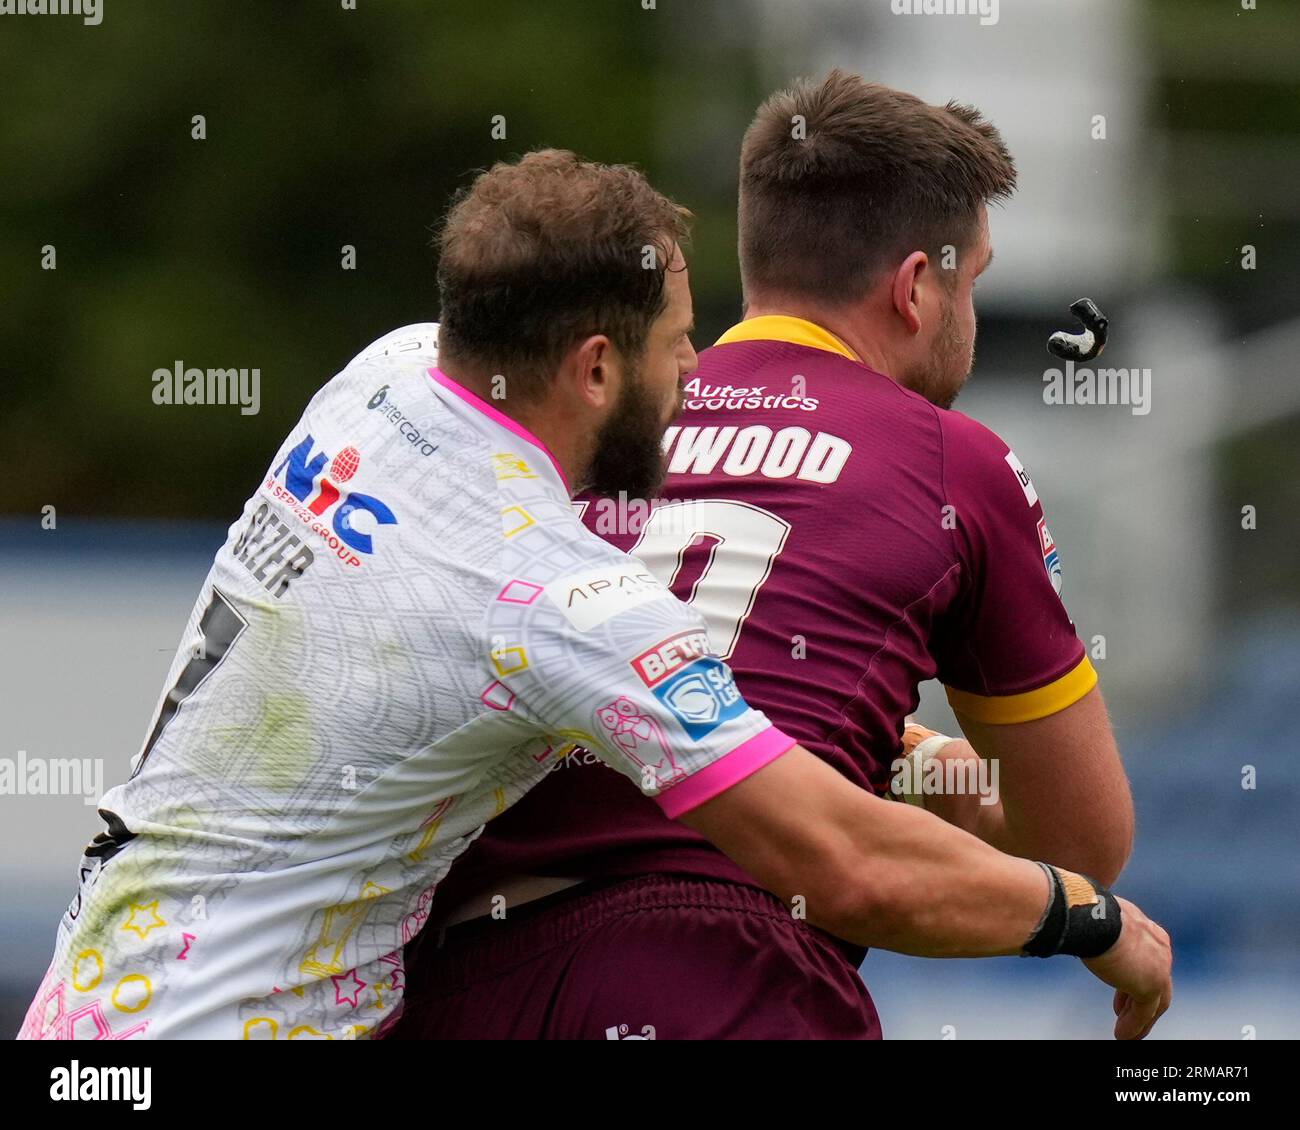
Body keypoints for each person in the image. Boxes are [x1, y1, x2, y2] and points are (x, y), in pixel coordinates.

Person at [20, 147, 1168, 1042]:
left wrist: (897, 749)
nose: (697, 374)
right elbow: (841, 863)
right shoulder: (553, 598)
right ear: (597, 366)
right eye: (679, 345)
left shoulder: (383, 376)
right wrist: (1084, 916)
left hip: (99, 998)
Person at [390, 74, 1156, 1041]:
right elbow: (1077, 843)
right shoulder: (951, 461)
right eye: (973, 281)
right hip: (723, 967)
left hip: (463, 975)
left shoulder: (586, 420)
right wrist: (908, 765)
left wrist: (888, 754)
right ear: (915, 289)